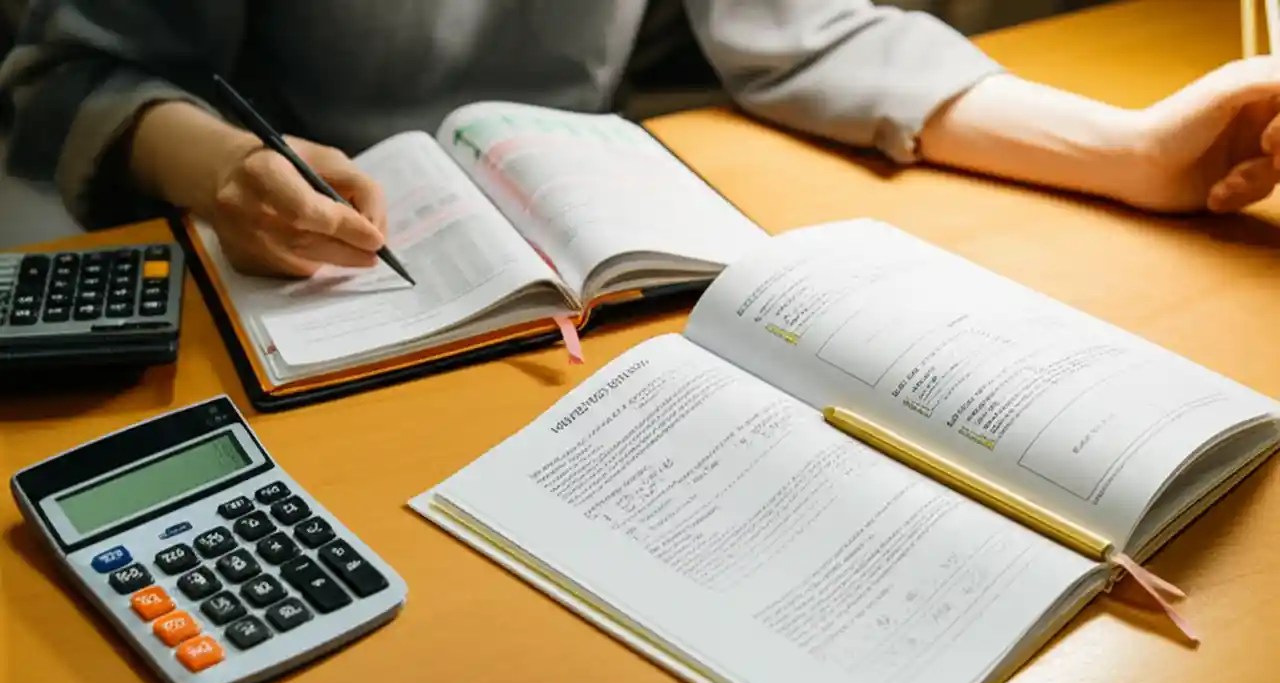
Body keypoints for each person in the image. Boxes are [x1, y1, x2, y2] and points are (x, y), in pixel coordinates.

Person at [3, 2, 1279, 278]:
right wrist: (217, 168)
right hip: (331, 272)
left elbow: (809, 32)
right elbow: (74, 72)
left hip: (593, 275)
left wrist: (1129, 152)